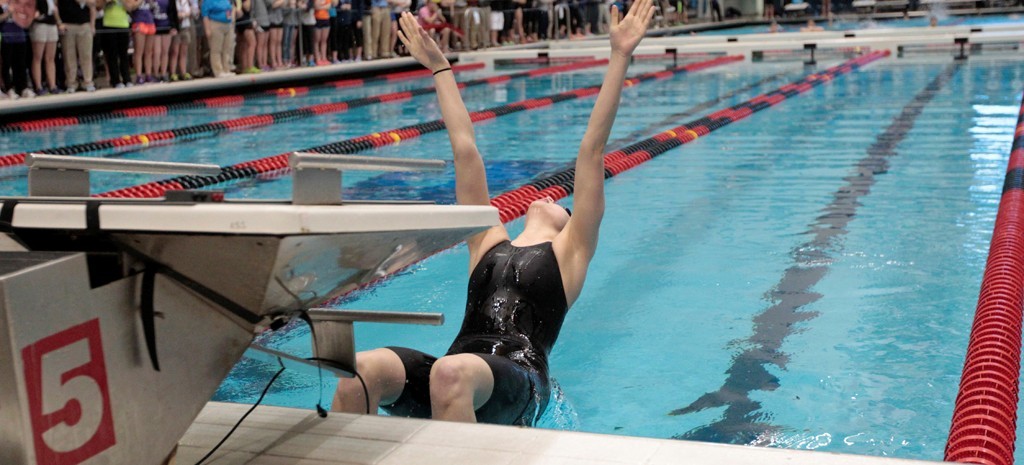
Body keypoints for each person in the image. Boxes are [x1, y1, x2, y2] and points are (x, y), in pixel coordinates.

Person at [332, 0, 655, 426]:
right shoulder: (488, 241)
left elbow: (591, 152)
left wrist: (620, 56)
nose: (549, 199)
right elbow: (466, 151)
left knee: (451, 373)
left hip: (520, 379)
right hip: (460, 375)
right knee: (358, 372)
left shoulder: (570, 252)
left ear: (566, 221)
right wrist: (439, 68)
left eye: (563, 205)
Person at [57, 0, 95, 92]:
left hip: (84, 24)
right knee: (69, 56)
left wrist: (92, 25)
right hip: (67, 25)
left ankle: (88, 81)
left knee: (86, 55)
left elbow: (93, 5)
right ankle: (71, 83)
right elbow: (54, 6)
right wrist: (59, 22)